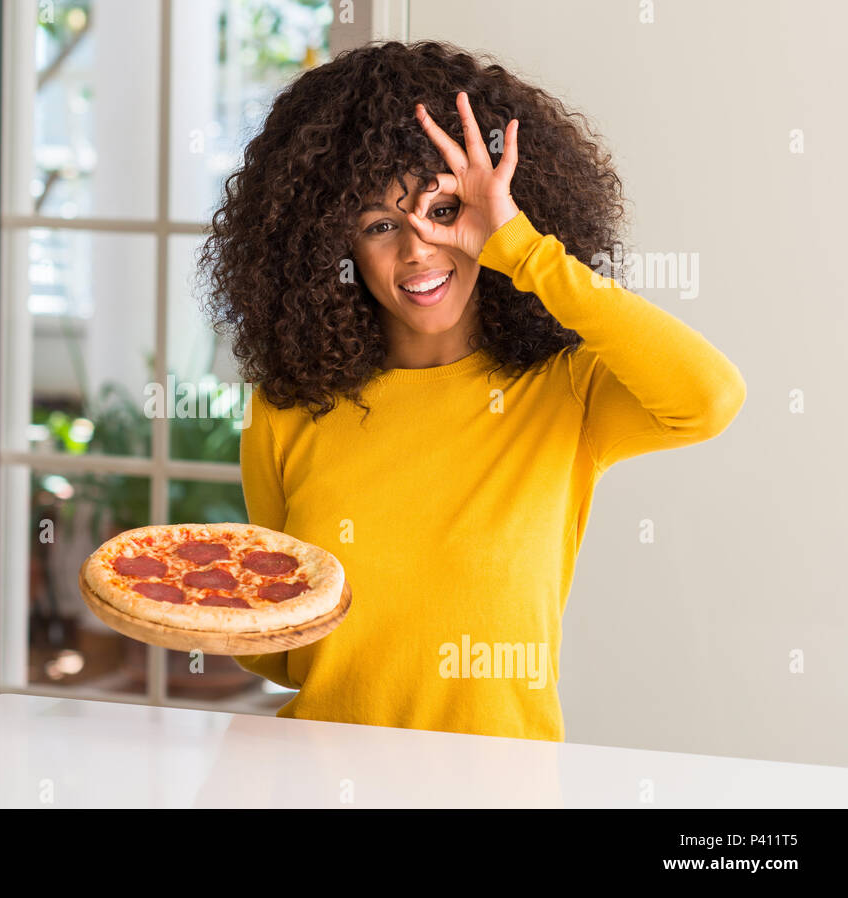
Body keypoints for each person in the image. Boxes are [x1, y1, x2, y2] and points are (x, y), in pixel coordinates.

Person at [197, 40, 745, 741]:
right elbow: (288, 656)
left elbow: (710, 398)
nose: (418, 250)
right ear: (333, 248)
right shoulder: (289, 407)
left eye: (446, 210)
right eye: (380, 225)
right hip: (313, 776)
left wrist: (520, 247)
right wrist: (211, 607)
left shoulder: (564, 392)